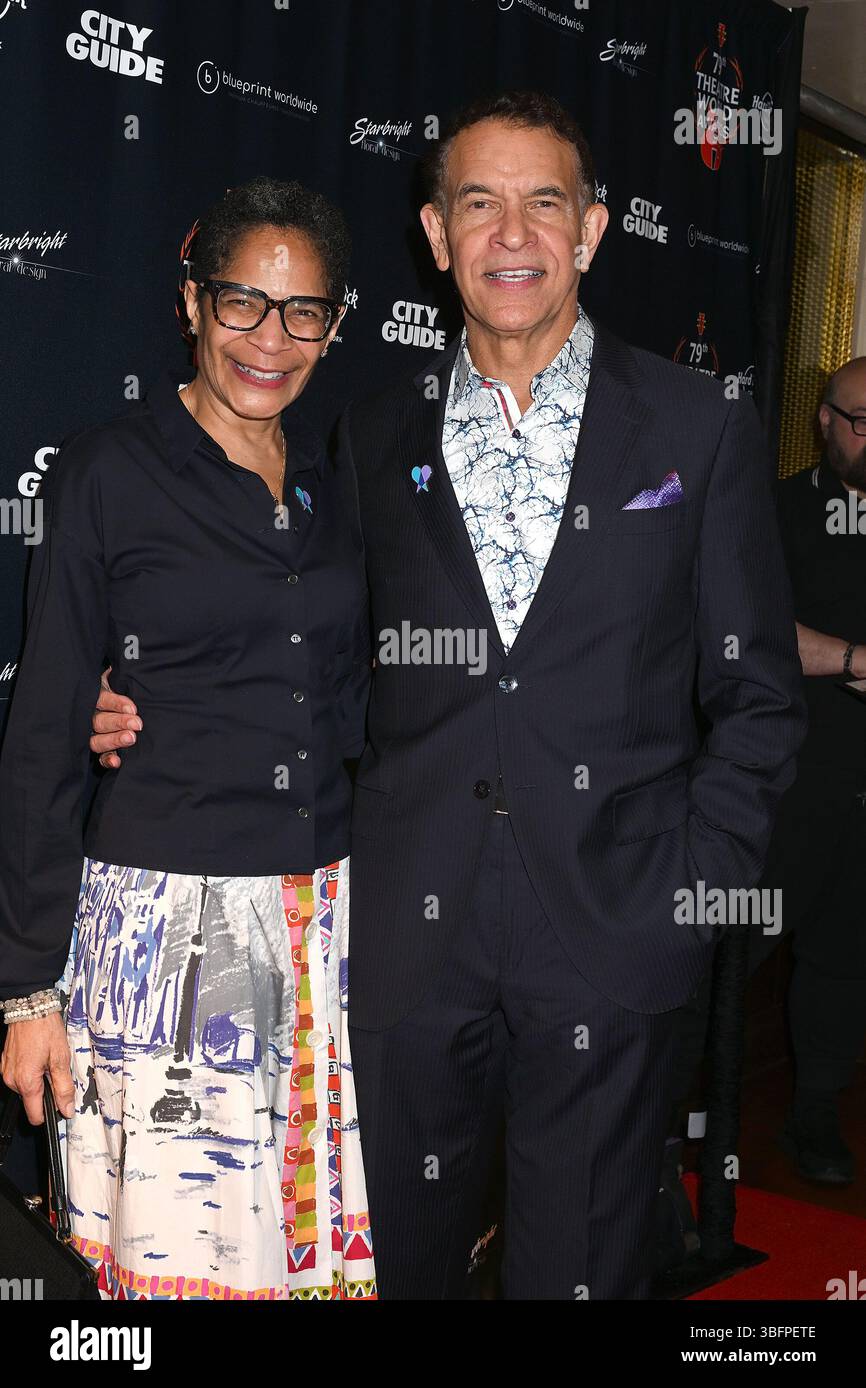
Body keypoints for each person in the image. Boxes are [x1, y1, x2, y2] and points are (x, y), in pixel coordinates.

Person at [91, 90, 808, 1300]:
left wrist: (681, 902)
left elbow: (757, 699)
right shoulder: (370, 436)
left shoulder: (697, 428)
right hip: (405, 947)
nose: (511, 234)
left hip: (614, 937)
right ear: (435, 234)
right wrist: (149, 695)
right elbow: (314, 649)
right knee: (405, 1273)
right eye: (479, 203)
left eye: (543, 203)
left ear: (589, 231)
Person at [0, 176, 377, 1301]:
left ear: (334, 324)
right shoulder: (109, 469)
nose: (272, 338)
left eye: (304, 310)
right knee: (177, 1271)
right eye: (242, 303)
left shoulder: (327, 478)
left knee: (301, 1261)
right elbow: (44, 733)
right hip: (167, 939)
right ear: (191, 302)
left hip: (319, 925)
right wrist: (25, 991)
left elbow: (354, 699)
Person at [748, 356, 866, 1184]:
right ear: (824, 418)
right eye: (861, 421)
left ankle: (816, 1113)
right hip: (786, 779)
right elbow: (746, 631)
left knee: (846, 956)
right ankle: (656, 1135)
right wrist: (855, 658)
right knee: (731, 951)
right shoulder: (777, 511)